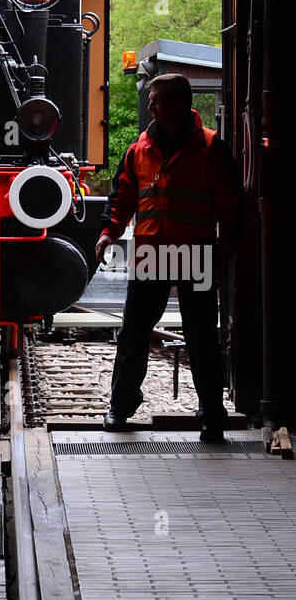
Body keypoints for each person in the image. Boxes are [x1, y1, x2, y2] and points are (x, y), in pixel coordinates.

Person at [95, 73, 243, 442]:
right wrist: (108, 233)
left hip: (196, 253)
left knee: (202, 337)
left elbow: (231, 209)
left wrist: (223, 256)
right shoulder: (138, 149)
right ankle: (121, 406)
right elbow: (123, 198)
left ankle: (211, 416)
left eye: (156, 100)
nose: (150, 106)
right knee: (133, 333)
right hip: (152, 254)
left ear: (179, 103)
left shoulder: (211, 148)